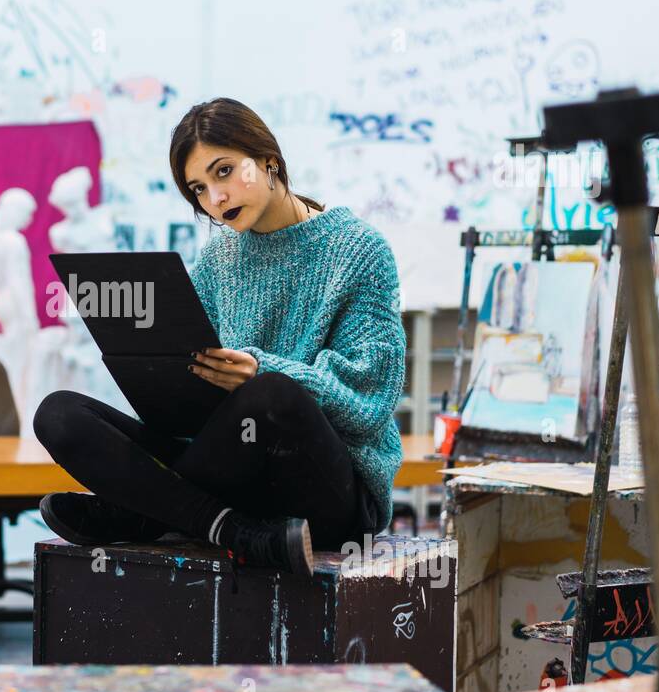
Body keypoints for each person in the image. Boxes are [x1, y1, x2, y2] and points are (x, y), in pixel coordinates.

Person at [32, 97, 406, 575]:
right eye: (199, 189)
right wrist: (162, 376)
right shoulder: (218, 258)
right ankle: (229, 530)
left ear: (269, 162)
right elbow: (196, 411)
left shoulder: (359, 251)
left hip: (328, 497)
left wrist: (261, 371)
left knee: (270, 395)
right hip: (236, 483)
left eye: (224, 172)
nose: (216, 199)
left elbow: (368, 401)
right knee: (60, 415)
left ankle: (140, 513)